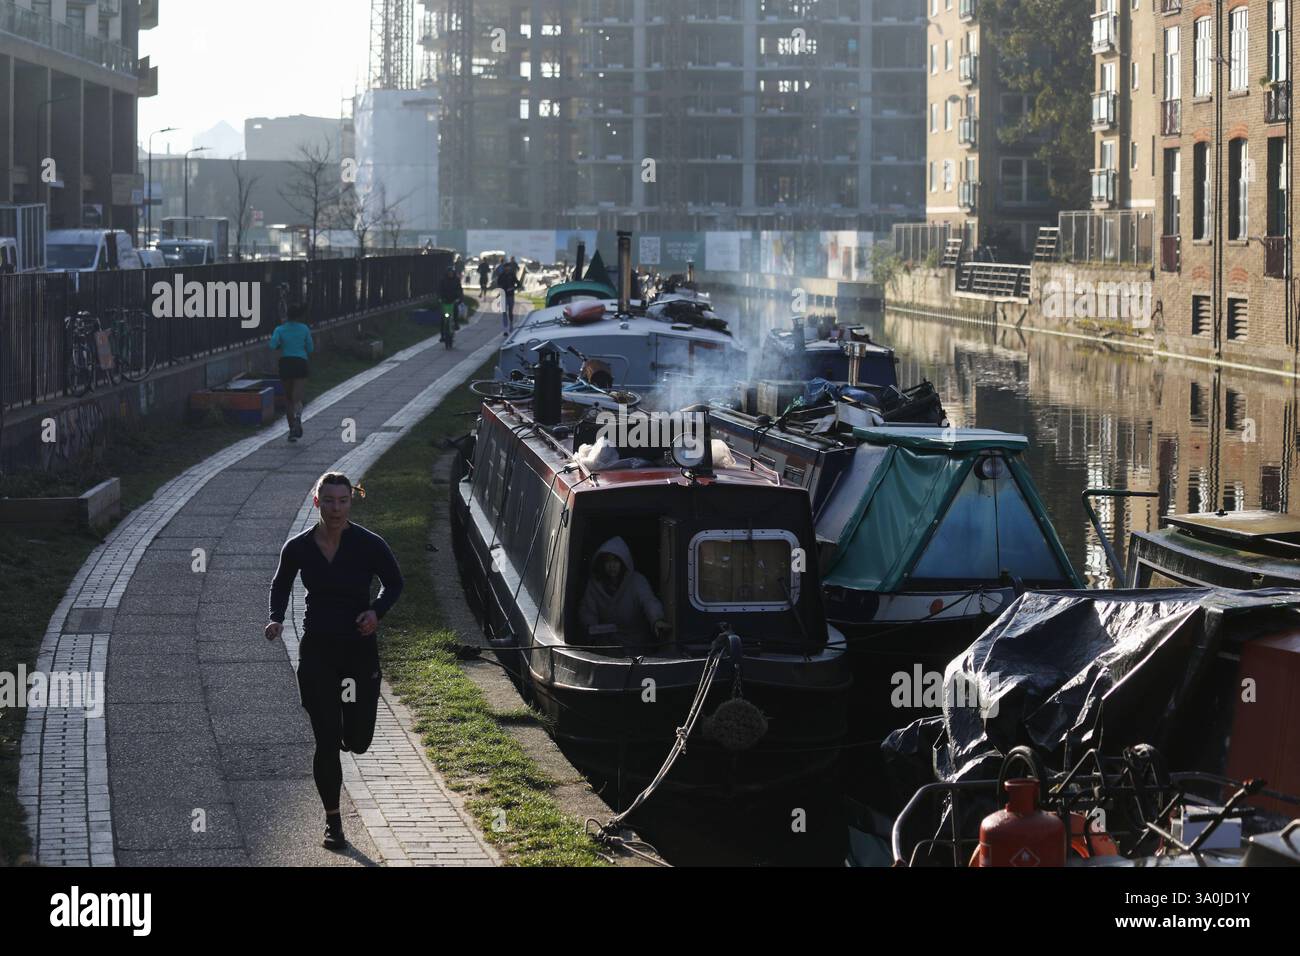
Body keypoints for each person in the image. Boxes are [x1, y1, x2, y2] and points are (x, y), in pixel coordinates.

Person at [265, 473, 404, 851]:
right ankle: (333, 824)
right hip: (318, 652)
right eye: (328, 501)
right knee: (326, 741)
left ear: (350, 502)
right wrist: (276, 617)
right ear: (317, 503)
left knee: (356, 741)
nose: (336, 508)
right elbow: (281, 583)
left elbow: (394, 582)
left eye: (342, 500)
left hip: (358, 651)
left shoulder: (369, 544)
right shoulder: (298, 547)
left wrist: (376, 612)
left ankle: (347, 723)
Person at [578, 537, 670, 653]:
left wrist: (657, 620)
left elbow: (649, 601)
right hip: (607, 646)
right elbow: (588, 611)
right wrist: (591, 629)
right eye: (608, 561)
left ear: (624, 562)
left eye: (616, 561)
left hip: (637, 645)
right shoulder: (594, 585)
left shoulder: (637, 581)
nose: (612, 565)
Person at [270, 301, 314, 442]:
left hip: (286, 364)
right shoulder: (304, 329)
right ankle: (298, 419)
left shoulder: (280, 329)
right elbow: (310, 348)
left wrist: (282, 343)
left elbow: (272, 345)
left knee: (288, 399)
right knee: (297, 398)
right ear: (299, 316)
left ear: (286, 316)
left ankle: (291, 431)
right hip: (300, 363)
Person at [496, 256, 520, 336]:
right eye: (506, 267)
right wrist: (500, 289)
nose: (507, 268)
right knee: (504, 312)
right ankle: (505, 330)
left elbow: (518, 283)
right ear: (504, 267)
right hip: (503, 296)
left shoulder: (512, 275)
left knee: (510, 312)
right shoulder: (501, 275)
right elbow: (498, 283)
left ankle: (511, 325)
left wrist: (513, 288)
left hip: (510, 295)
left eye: (508, 267)